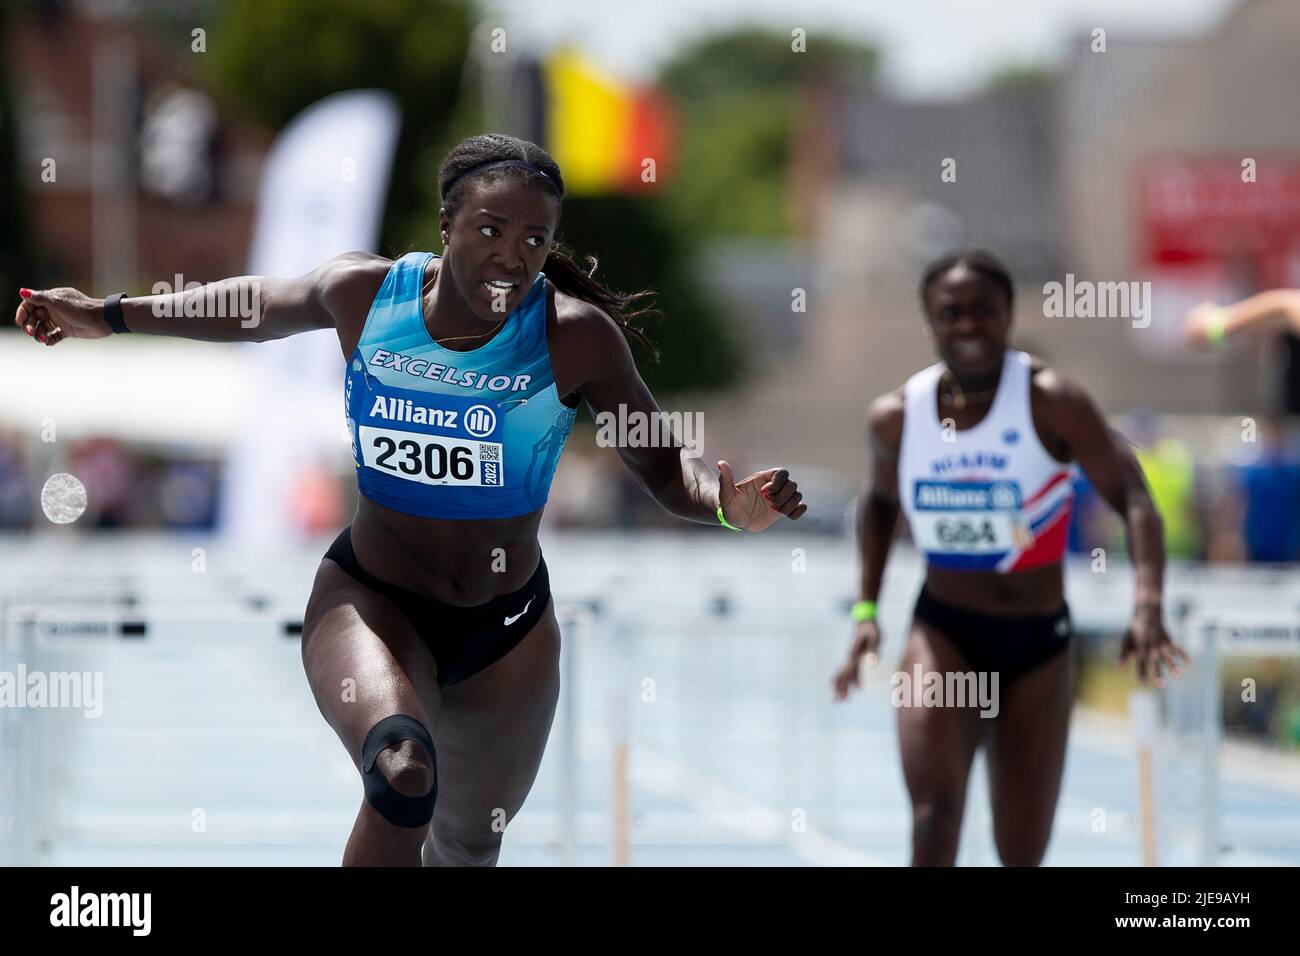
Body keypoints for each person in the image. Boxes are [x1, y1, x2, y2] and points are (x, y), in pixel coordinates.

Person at [16, 132, 808, 866]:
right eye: (491, 231)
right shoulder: (367, 296)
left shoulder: (576, 338)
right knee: (401, 775)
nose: (512, 258)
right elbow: (248, 310)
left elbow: (668, 472)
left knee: (466, 853)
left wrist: (724, 505)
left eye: (535, 241)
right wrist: (107, 315)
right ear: (446, 224)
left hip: (508, 635)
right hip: (371, 601)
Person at [830, 250, 1185, 866]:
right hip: (944, 634)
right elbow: (881, 504)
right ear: (930, 321)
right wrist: (866, 609)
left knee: (1020, 852)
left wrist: (1148, 605)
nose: (969, 325)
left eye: (983, 311)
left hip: (1037, 646)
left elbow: (1133, 496)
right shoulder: (896, 417)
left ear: (1008, 316)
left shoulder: (1052, 401)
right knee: (933, 818)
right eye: (951, 312)